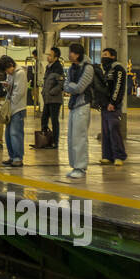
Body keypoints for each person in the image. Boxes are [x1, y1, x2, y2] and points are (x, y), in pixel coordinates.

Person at [61, 43, 95, 180]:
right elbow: (65, 84)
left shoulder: (88, 68)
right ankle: (74, 165)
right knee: (71, 137)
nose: (69, 55)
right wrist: (70, 86)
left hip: (83, 105)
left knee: (79, 137)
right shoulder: (72, 68)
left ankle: (81, 167)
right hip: (73, 105)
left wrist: (70, 87)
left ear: (78, 54)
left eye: (72, 52)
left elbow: (80, 88)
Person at [99, 47, 128, 165]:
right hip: (105, 105)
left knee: (114, 130)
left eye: (106, 55)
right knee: (105, 131)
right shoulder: (106, 70)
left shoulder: (118, 69)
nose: (103, 57)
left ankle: (119, 156)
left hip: (113, 106)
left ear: (113, 56)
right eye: (103, 55)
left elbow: (118, 86)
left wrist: (113, 102)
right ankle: (107, 155)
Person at [0, 55, 27, 167]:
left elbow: (19, 93)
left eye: (7, 69)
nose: (7, 73)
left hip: (18, 108)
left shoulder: (20, 73)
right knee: (8, 134)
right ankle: (12, 156)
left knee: (16, 133)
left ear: (11, 65)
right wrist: (7, 86)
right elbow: (11, 90)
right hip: (11, 108)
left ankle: (18, 158)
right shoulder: (10, 74)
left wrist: (10, 104)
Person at [40, 47, 64, 149]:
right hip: (47, 99)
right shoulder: (48, 67)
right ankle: (45, 139)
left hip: (55, 100)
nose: (48, 57)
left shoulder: (58, 68)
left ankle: (55, 142)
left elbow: (61, 84)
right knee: (44, 119)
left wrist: (51, 92)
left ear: (56, 57)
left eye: (50, 55)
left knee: (54, 121)